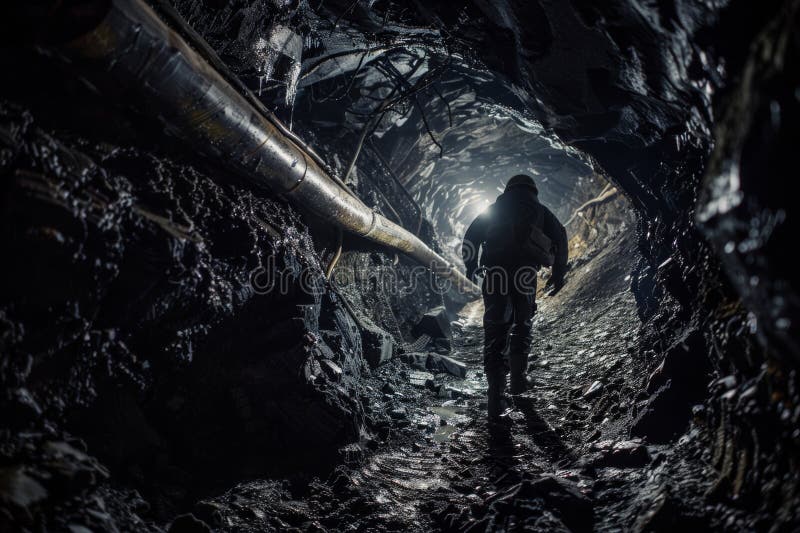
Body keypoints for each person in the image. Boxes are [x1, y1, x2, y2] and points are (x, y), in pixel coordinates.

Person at [462, 175, 568, 422]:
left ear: (507, 189)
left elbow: (471, 235)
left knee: (496, 330)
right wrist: (558, 273)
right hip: (525, 274)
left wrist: (470, 266)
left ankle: (495, 398)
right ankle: (519, 383)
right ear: (533, 190)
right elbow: (561, 236)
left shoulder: (494, 208)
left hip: (495, 272)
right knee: (522, 324)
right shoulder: (540, 210)